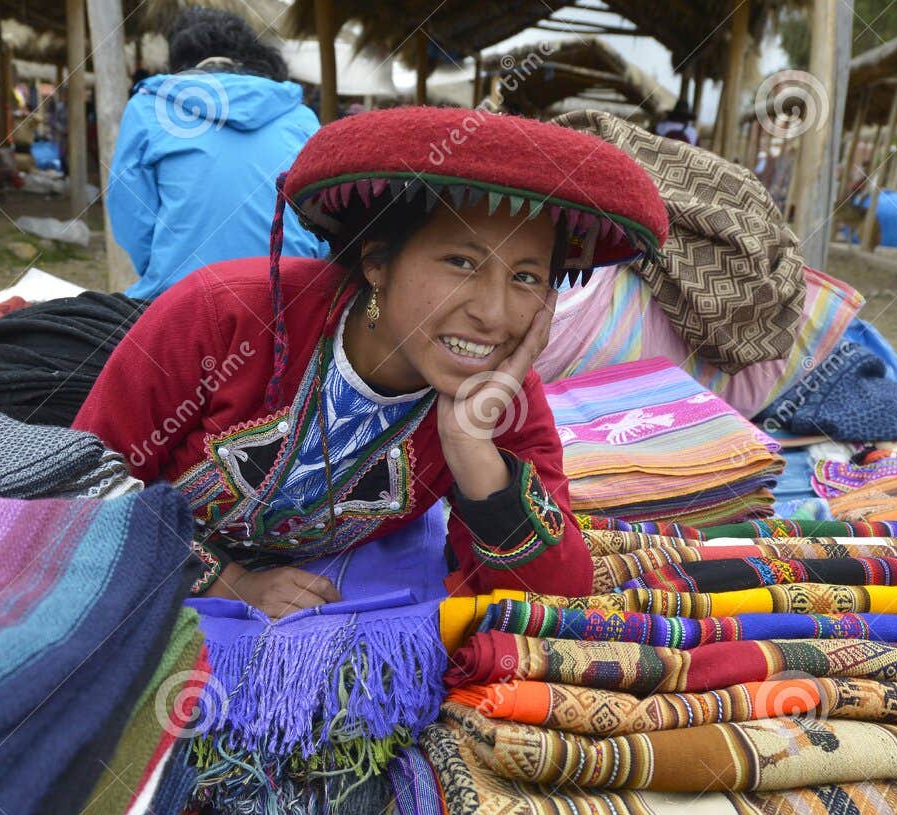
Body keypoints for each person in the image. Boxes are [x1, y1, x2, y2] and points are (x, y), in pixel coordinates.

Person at [76, 106, 669, 618]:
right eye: (461, 262)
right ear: (377, 261)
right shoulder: (225, 315)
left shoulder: (502, 404)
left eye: (525, 278)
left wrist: (470, 452)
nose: (493, 314)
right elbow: (81, 484)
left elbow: (552, 601)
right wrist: (234, 582)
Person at [107, 7, 325, 300]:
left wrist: (170, 266)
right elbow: (324, 225)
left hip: (180, 300)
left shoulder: (148, 109)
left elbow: (131, 216)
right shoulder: (301, 118)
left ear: (179, 65)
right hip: (290, 301)